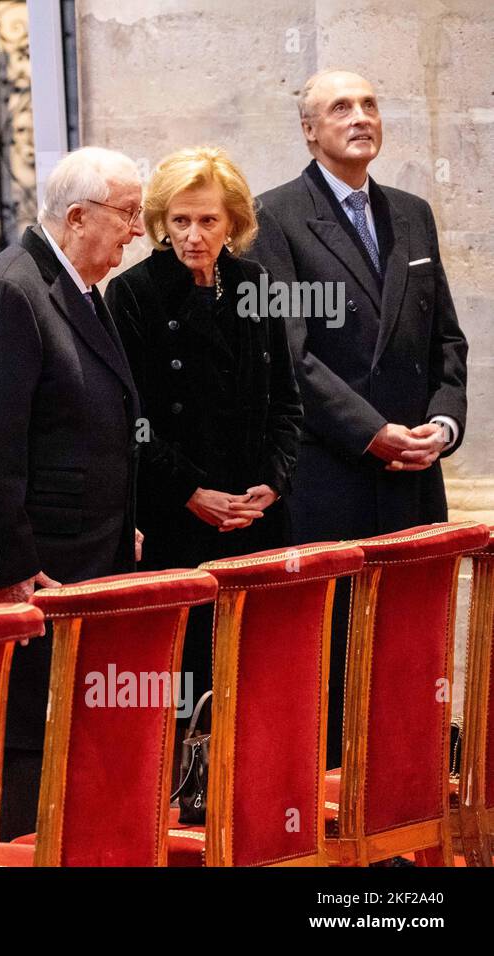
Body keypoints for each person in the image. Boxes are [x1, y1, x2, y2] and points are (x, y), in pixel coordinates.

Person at [251, 70, 467, 767]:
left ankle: (409, 806)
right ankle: (337, 824)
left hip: (413, 478)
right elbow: (289, 355)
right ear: (310, 130)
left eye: (370, 104)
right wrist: (370, 432)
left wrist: (443, 424)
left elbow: (448, 343)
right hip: (332, 478)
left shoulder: (412, 213)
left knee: (411, 659)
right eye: (340, 107)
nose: (360, 117)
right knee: (339, 660)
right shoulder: (275, 217)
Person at [0, 146, 145, 840]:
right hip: (38, 570)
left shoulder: (76, 286)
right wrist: (5, 566)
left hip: (86, 555)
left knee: (76, 730)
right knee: (30, 737)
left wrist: (123, 522)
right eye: (128, 214)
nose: (137, 231)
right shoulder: (12, 290)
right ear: (78, 216)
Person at [105, 145, 301, 734]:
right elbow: (131, 422)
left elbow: (287, 400)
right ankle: (189, 807)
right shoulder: (133, 294)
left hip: (256, 518)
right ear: (161, 223)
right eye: (180, 220)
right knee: (188, 682)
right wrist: (192, 492)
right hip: (178, 523)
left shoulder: (255, 282)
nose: (193, 235)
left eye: (208, 220)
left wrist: (273, 481)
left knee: (260, 679)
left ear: (233, 222)